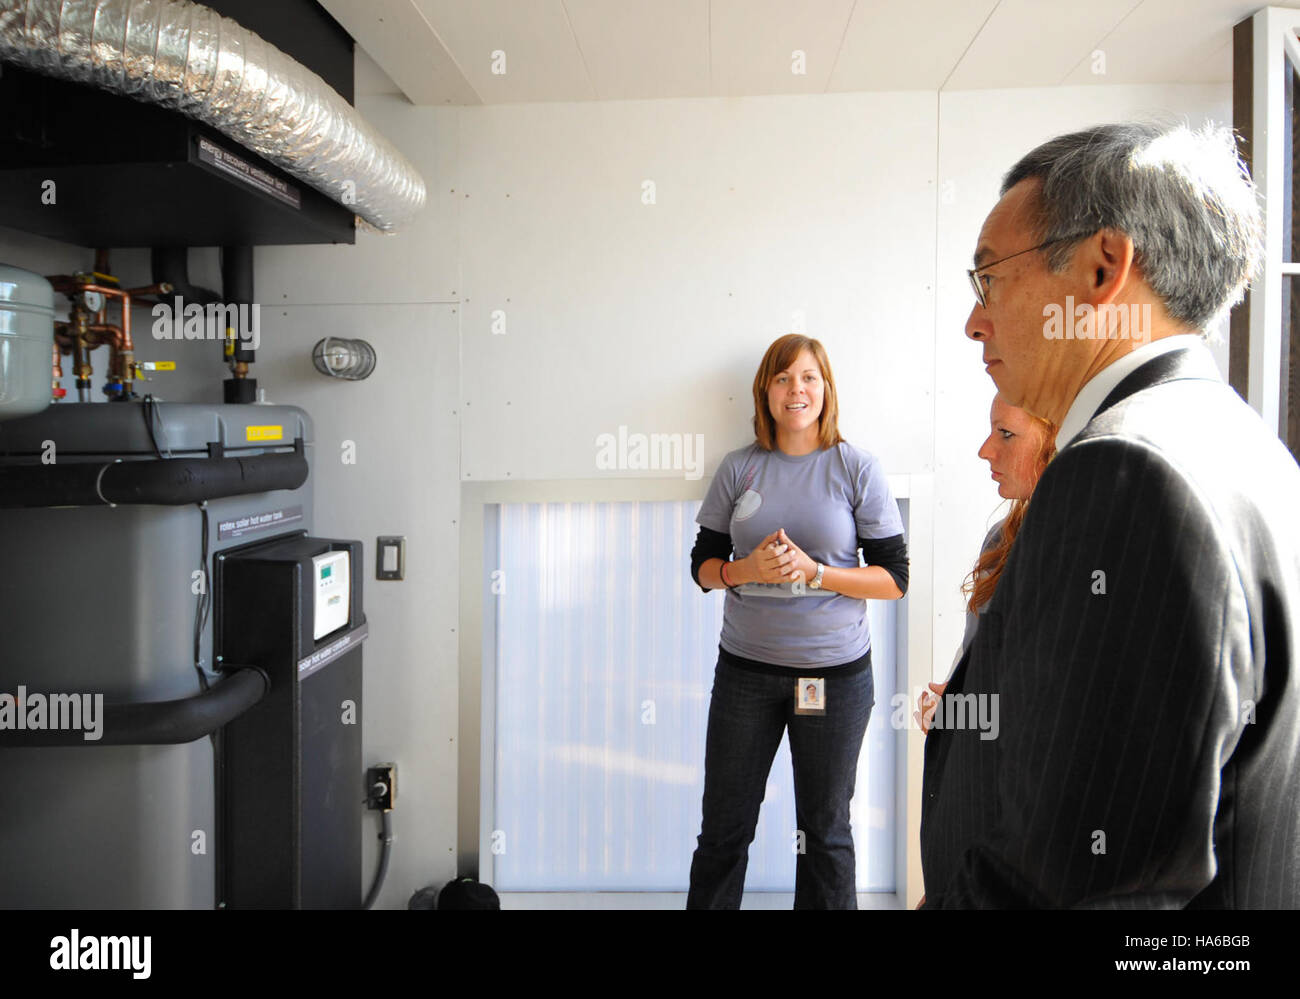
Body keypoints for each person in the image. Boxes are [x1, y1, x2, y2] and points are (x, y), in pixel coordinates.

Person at [920, 121, 1300, 908]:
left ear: (1102, 267)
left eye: (988, 278)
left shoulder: (1127, 473)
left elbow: (1069, 886)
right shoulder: (1241, 446)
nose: (974, 320)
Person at [686, 333, 908, 909]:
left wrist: (816, 573)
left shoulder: (856, 467)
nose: (796, 389)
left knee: (826, 833)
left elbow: (894, 578)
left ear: (826, 389)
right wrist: (745, 570)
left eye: (808, 377)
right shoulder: (740, 469)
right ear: (766, 391)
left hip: (829, 678)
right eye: (783, 378)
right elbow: (702, 569)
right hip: (746, 676)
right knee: (723, 830)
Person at [915, 395, 1056, 735]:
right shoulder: (1000, 538)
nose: (985, 450)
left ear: (1055, 440)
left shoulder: (1080, 552)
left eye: (1006, 433)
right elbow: (972, 650)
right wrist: (953, 699)